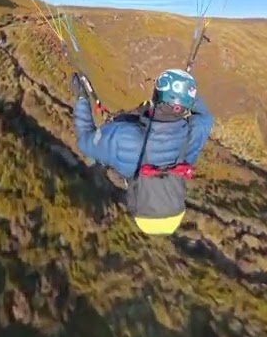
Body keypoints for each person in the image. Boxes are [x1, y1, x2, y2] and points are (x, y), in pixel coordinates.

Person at [71, 68, 214, 235]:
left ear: (155, 96)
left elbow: (204, 118)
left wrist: (187, 93)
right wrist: (81, 98)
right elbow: (84, 142)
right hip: (146, 212)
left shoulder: (186, 147)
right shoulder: (123, 136)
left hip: (171, 212)